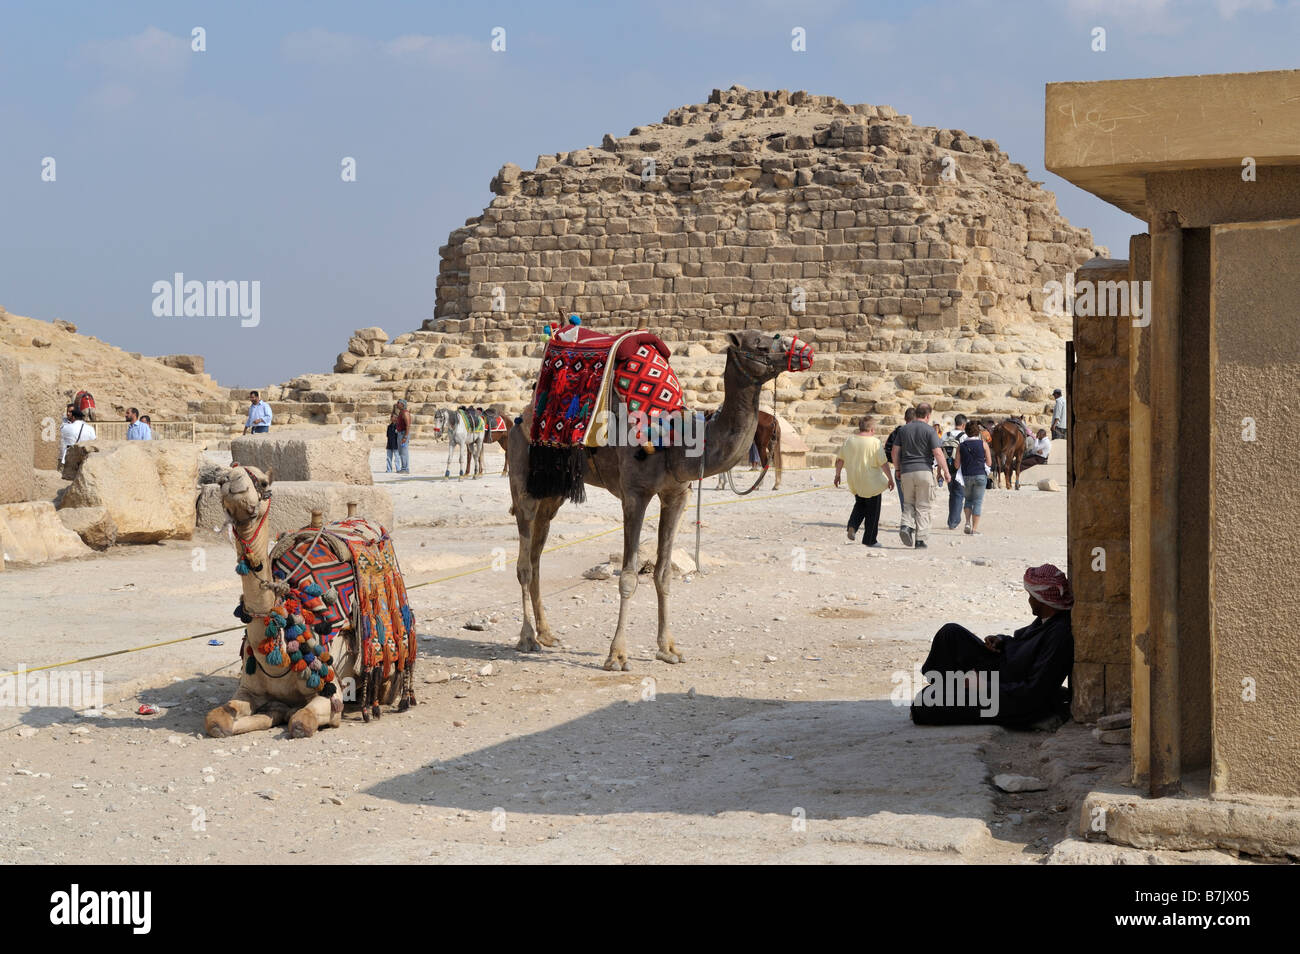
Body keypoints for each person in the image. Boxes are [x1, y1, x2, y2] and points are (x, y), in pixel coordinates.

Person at [910, 564, 1074, 727]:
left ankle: (951, 690)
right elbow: (1022, 642)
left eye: (1031, 596)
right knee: (950, 633)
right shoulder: (1046, 618)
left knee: (926, 702)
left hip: (1011, 698)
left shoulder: (1059, 634)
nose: (1029, 600)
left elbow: (1032, 692)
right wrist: (1001, 640)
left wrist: (982, 686)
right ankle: (951, 689)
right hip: (1003, 669)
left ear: (1043, 600)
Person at [892, 402, 950, 549]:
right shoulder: (930, 431)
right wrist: (946, 472)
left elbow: (894, 451)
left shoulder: (903, 430)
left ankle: (906, 526)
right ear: (928, 415)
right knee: (923, 506)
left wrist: (898, 469)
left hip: (906, 472)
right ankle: (920, 540)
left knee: (908, 503)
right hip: (924, 471)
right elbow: (937, 452)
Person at [834, 415, 894, 548]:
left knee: (860, 504)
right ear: (872, 429)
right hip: (872, 482)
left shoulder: (849, 441)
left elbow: (840, 460)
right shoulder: (874, 442)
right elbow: (883, 463)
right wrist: (890, 478)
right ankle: (870, 539)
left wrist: (837, 475)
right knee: (873, 511)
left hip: (855, 481)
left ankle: (852, 525)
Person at [959, 419, 992, 534]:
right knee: (977, 501)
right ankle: (974, 529)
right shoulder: (983, 444)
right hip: (980, 475)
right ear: (977, 432)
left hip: (967, 476)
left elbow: (957, 464)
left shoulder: (961, 446)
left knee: (968, 500)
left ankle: (967, 522)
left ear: (966, 431)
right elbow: (989, 463)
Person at [884, 407, 915, 513]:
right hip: (919, 468)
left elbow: (889, 450)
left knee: (904, 499)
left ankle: (907, 522)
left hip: (901, 469)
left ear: (905, 418)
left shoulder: (897, 431)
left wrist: (897, 468)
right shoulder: (922, 431)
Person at [942, 414, 968, 530]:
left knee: (952, 494)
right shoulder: (964, 437)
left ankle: (951, 520)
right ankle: (953, 522)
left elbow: (940, 454)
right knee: (958, 495)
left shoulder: (945, 435)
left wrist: (940, 471)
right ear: (963, 424)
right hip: (960, 470)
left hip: (947, 469)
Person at [393, 400, 411, 473]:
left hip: (403, 434)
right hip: (400, 434)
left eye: (398, 403)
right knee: (401, 452)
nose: (397, 404)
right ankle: (403, 468)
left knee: (404, 451)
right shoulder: (401, 412)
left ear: (402, 404)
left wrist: (405, 437)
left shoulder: (405, 413)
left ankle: (405, 469)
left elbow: (408, 425)